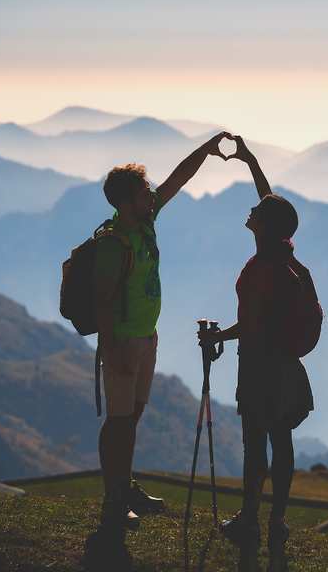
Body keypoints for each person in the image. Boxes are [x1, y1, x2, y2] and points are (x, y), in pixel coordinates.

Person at [95, 131, 232, 533]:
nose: (151, 197)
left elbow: (176, 181)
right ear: (125, 202)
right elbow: (102, 301)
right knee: (119, 421)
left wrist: (206, 150)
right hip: (123, 341)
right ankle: (114, 499)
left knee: (132, 416)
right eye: (143, 193)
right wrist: (111, 348)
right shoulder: (113, 241)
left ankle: (125, 486)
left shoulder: (145, 223)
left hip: (145, 337)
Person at [198, 136, 314, 562]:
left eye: (255, 213)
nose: (250, 211)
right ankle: (276, 521)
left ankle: (249, 518)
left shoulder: (264, 266)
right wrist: (251, 162)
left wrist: (216, 338)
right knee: (282, 442)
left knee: (255, 444)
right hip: (288, 366)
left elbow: (250, 326)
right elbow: (272, 203)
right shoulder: (285, 256)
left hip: (261, 368)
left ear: (263, 225)